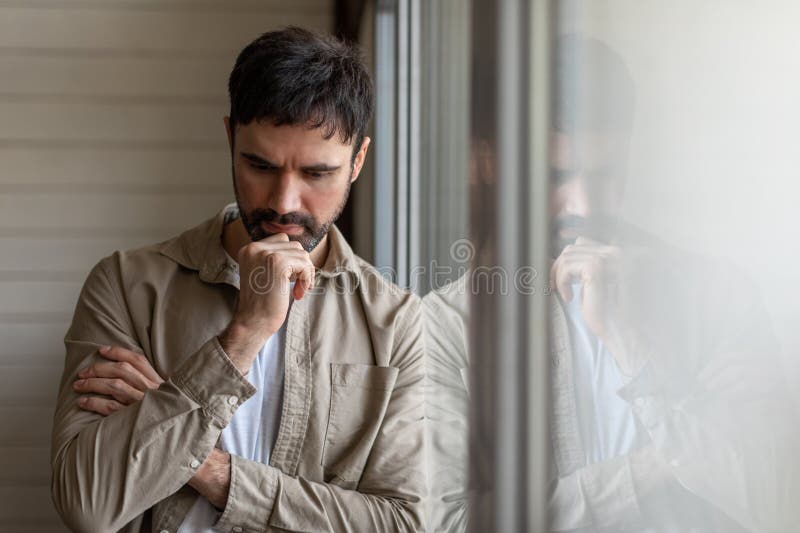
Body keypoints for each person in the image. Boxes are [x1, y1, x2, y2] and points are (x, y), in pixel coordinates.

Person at [50, 27, 425, 533]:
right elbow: (87, 506)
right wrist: (243, 335)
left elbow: (404, 523)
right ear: (230, 139)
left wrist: (202, 464)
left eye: (317, 174)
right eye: (259, 165)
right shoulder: (126, 284)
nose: (285, 202)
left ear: (358, 160)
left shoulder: (397, 322)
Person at [424, 34, 800, 532]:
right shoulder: (447, 327)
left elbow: (779, 502)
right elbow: (449, 524)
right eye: (557, 176)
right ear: (497, 166)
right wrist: (671, 453)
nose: (585, 205)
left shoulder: (718, 293)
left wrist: (630, 344)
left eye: (606, 173)